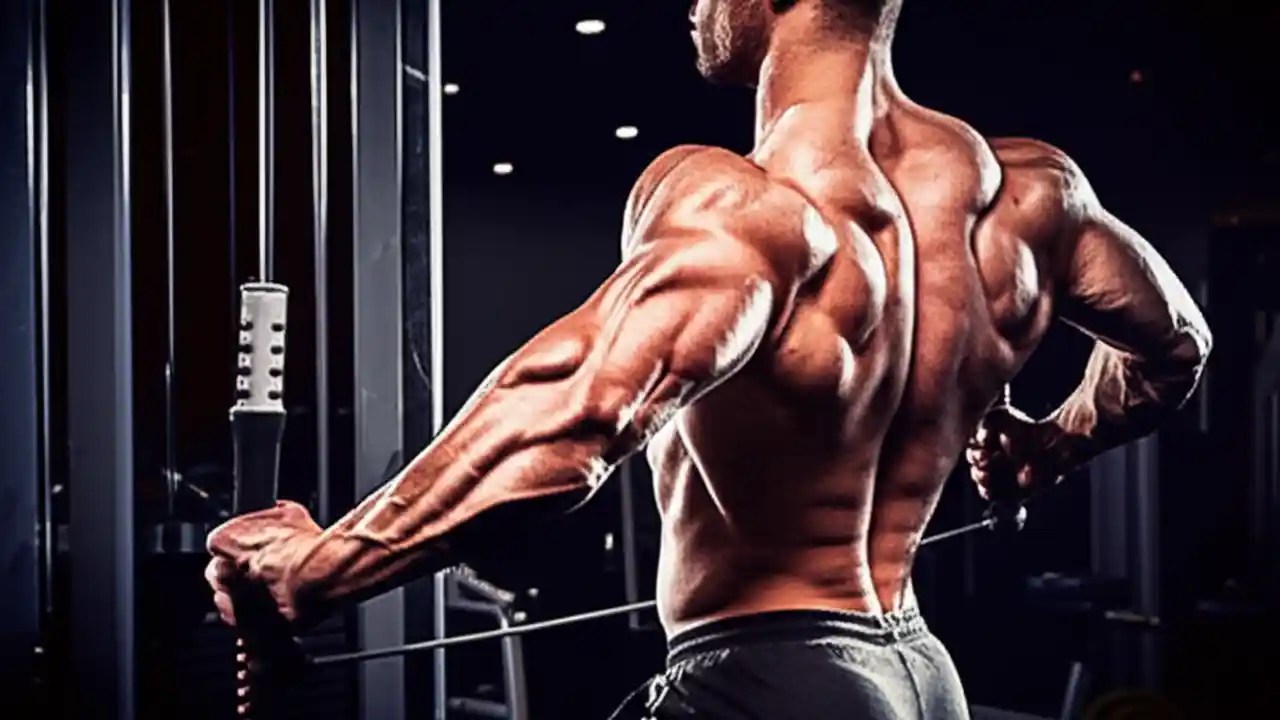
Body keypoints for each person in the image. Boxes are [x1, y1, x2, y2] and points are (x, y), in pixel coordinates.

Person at [206, 0, 1212, 717]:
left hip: (763, 678)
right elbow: (1174, 348)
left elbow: (573, 415)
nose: (690, 7)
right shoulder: (1028, 199)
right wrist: (1054, 442)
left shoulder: (743, 207)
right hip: (918, 675)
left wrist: (319, 566)